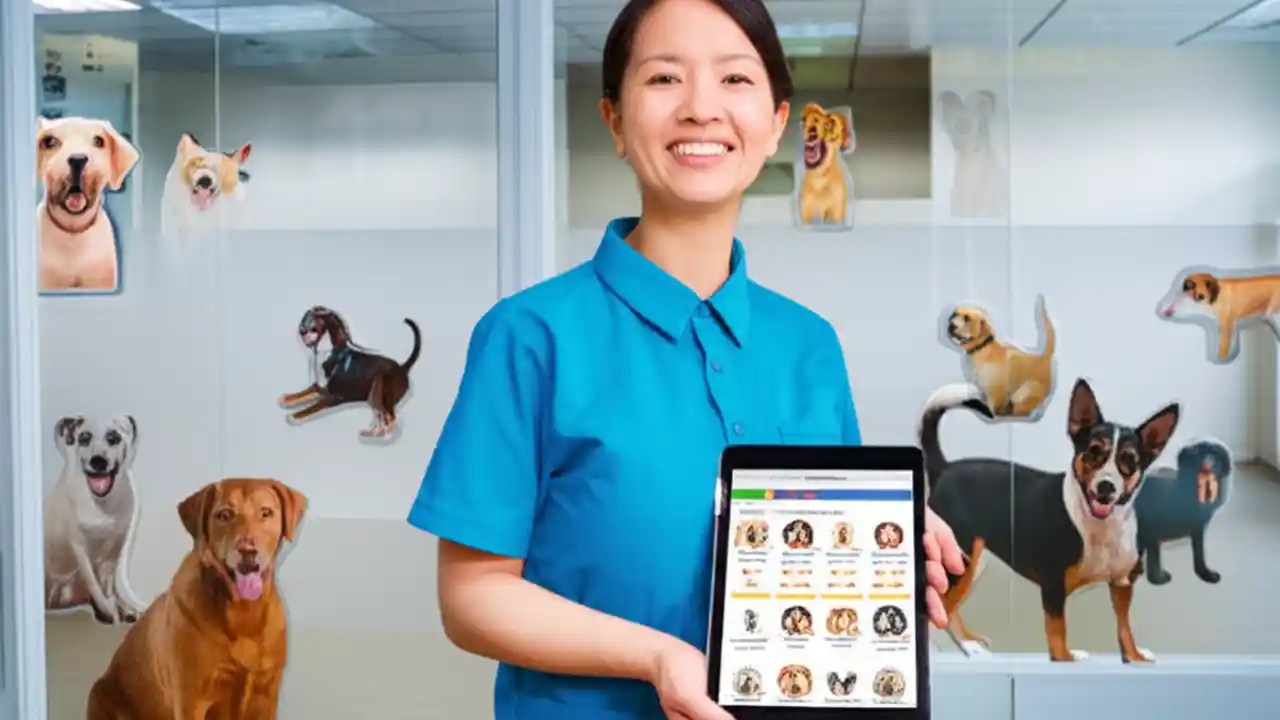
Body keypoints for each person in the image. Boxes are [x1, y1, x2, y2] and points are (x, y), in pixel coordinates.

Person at [406, 1, 965, 718]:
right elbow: (472, 597)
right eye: (665, 77)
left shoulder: (809, 344)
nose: (701, 107)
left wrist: (878, 546)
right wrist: (657, 658)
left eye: (735, 79)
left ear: (775, 124)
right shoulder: (530, 336)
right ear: (614, 121)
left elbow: (813, 568)